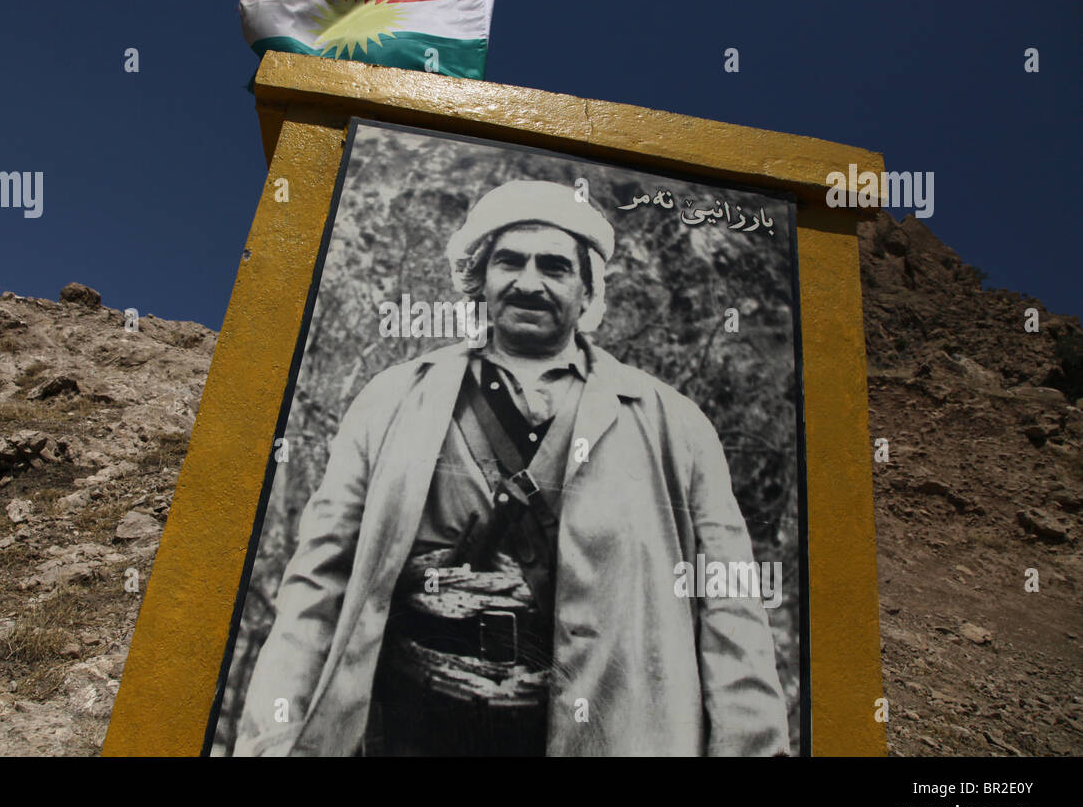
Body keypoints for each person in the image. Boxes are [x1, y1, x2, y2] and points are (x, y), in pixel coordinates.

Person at [233, 180, 790, 756]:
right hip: (409, 730)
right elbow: (318, 583)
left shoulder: (674, 425)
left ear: (586, 289)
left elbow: (730, 611)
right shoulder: (392, 400)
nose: (529, 283)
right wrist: (271, 739)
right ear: (480, 278)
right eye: (509, 262)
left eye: (554, 266)